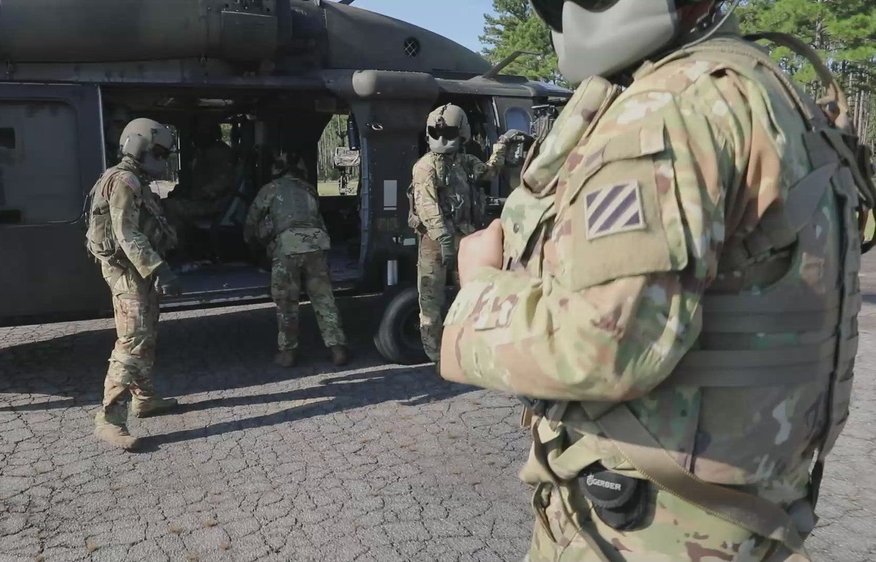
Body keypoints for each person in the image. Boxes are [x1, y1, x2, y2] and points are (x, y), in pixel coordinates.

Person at [438, 1, 875, 561]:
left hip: (651, 527)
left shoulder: (671, 106)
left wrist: (478, 292)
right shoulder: (763, 87)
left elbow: (600, 344)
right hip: (744, 510)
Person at [85, 117, 184, 451]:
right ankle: (109, 419)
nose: (162, 159)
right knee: (133, 338)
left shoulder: (133, 178)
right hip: (129, 271)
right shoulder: (125, 180)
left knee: (147, 332)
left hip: (134, 269)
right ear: (139, 146)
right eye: (157, 152)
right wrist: (159, 270)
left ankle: (144, 399)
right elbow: (126, 232)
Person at [407, 103, 523, 362]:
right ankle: (437, 357)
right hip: (435, 243)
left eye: (448, 133)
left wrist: (500, 147)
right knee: (430, 302)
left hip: (465, 238)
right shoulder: (425, 167)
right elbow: (428, 208)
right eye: (439, 133)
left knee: (471, 295)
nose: (442, 138)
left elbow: (488, 172)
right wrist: (444, 240)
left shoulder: (465, 160)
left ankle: (470, 349)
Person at [243, 147, 350, 368]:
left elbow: (252, 220)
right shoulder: (309, 190)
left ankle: (287, 352)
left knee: (287, 302)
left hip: (287, 247)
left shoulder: (270, 189)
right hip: (317, 246)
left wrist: (250, 241)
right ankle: (337, 349)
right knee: (324, 300)